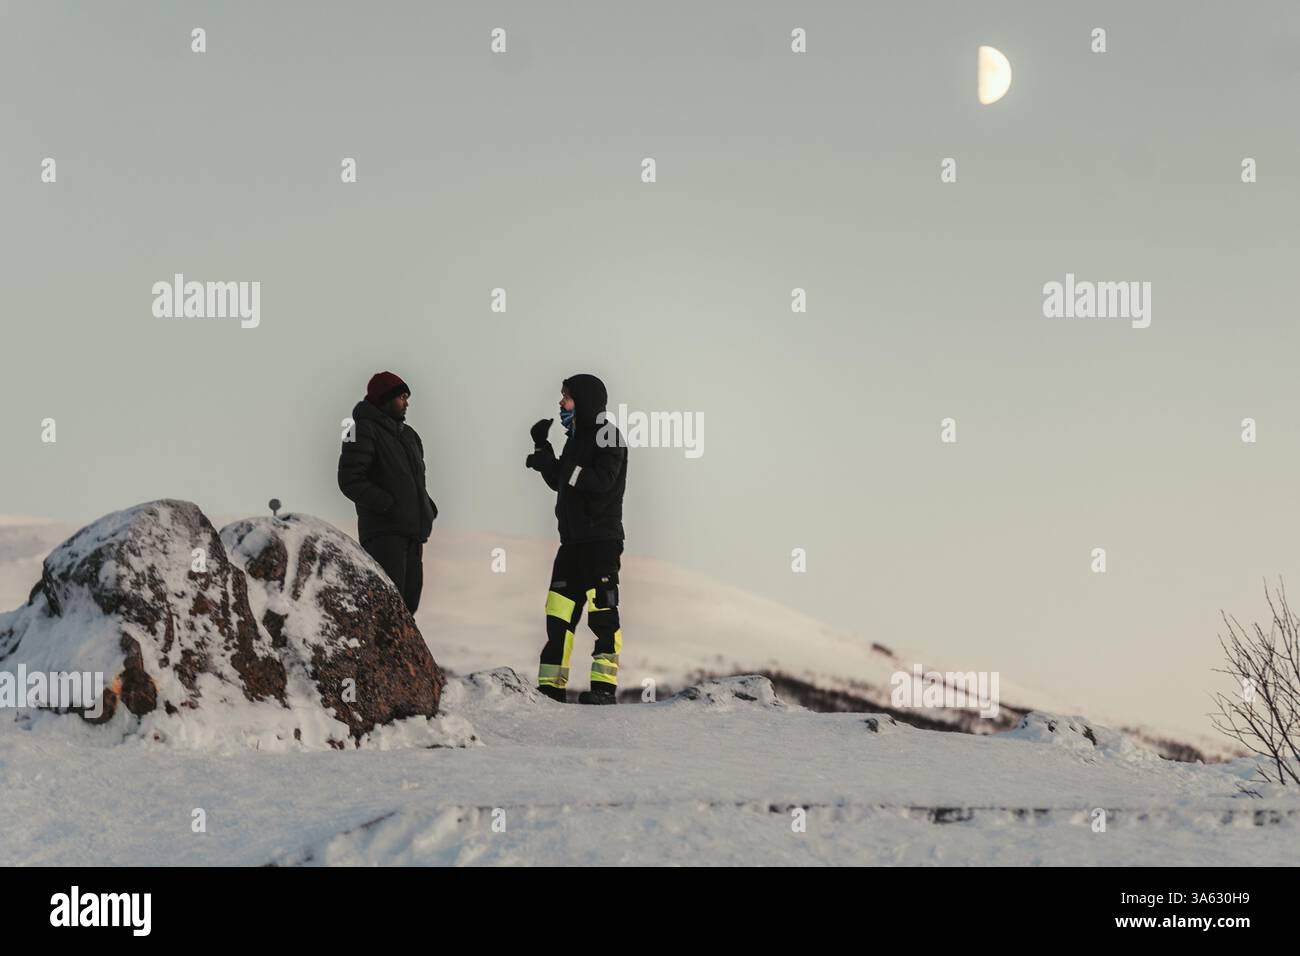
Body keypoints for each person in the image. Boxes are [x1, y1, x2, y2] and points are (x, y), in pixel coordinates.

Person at [525, 374, 629, 704]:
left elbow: (600, 481)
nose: (560, 404)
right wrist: (544, 452)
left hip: (600, 542)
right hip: (570, 545)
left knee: (603, 616)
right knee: (558, 617)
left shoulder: (608, 435)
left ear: (583, 401)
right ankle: (551, 689)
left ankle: (603, 689)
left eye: (566, 398)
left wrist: (562, 467)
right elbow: (563, 482)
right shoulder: (576, 438)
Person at [337, 371, 437, 613]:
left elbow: (414, 482)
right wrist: (388, 505)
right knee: (386, 604)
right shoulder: (361, 429)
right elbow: (349, 479)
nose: (407, 402)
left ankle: (401, 650)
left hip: (412, 532)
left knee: (408, 605)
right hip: (384, 534)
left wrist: (426, 507)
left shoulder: (409, 436)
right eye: (402, 396)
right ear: (385, 398)